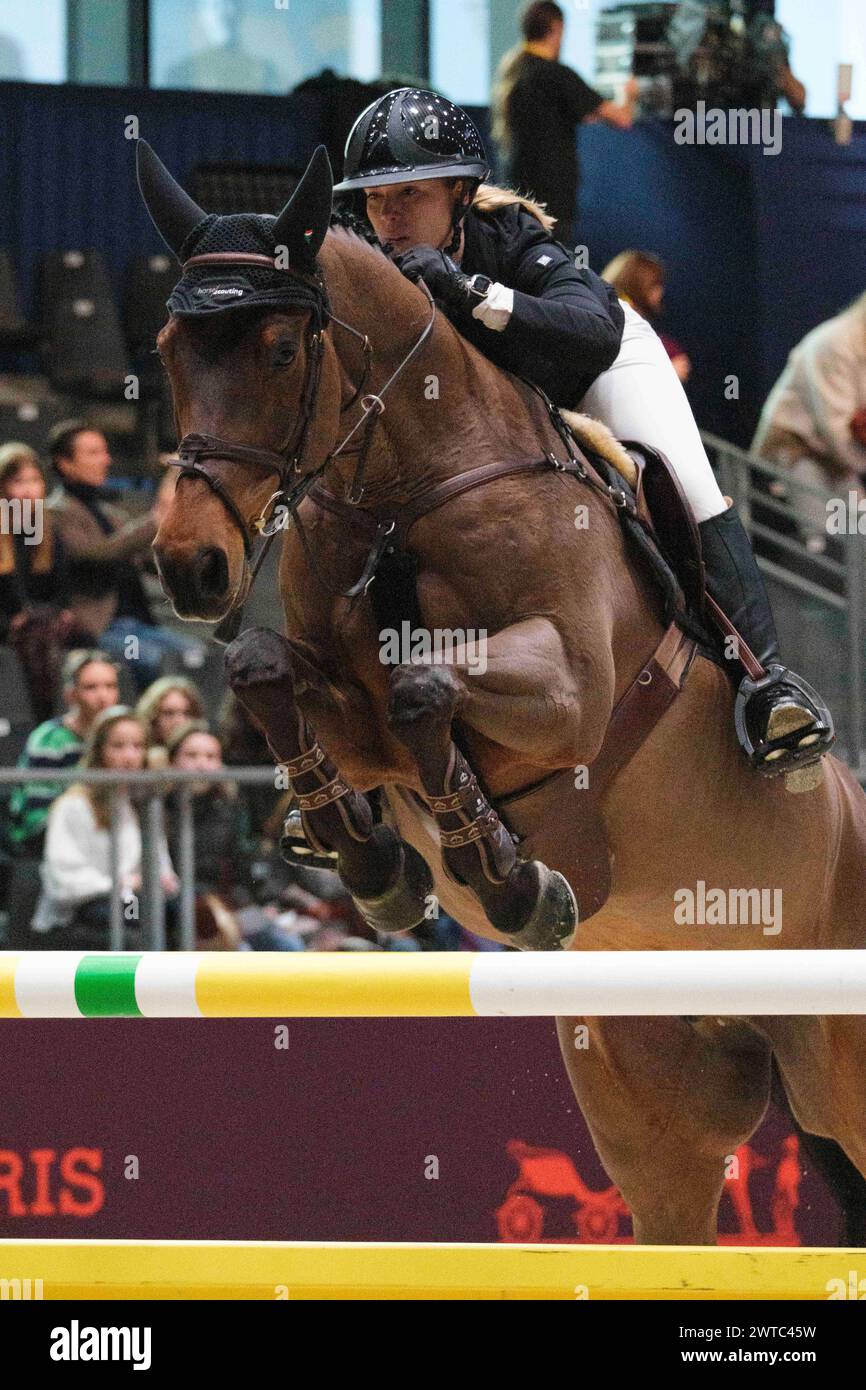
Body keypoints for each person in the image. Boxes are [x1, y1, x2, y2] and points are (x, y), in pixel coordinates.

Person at [333, 86, 834, 778]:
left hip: (593, 368)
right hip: (495, 419)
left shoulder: (507, 238)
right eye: (375, 200)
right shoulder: (369, 263)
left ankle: (765, 683)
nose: (389, 218)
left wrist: (467, 290)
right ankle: (356, 743)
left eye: (409, 195)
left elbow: (591, 327)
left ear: (457, 193)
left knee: (686, 487)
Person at [45, 420, 205, 691]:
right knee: (154, 661)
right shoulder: (54, 512)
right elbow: (98, 553)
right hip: (100, 626)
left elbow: (144, 557)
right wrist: (156, 518)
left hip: (139, 623)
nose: (106, 460)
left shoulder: (112, 515)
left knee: (197, 654)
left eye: (105, 452)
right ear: (65, 463)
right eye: (94, 453)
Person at [492, 0, 637, 247]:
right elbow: (621, 118)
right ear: (556, 27)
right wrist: (630, 95)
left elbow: (585, 113)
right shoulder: (556, 75)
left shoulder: (515, 73)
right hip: (552, 199)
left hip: (518, 192)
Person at [31, 705, 178, 948]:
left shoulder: (144, 805)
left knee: (177, 911)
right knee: (134, 917)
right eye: (118, 746)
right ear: (99, 752)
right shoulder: (73, 805)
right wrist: (123, 883)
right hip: (80, 912)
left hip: (132, 900)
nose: (130, 757)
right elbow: (63, 882)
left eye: (138, 746)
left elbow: (162, 869)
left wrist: (165, 880)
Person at [752, 291, 866, 554]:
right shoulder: (834, 343)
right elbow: (835, 428)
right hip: (793, 447)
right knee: (823, 538)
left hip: (836, 457)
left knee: (860, 527)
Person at [0, 442, 92, 719]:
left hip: (38, 623)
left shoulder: (48, 530)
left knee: (76, 640)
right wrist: (13, 617)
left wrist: (59, 612)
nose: (28, 490)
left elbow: (60, 588)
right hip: (7, 623)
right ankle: (38, 720)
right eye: (19, 482)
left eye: (35, 480)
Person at [6, 649, 119, 859]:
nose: (103, 696)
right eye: (91, 687)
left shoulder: (122, 738)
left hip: (107, 840)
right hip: (48, 845)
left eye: (110, 686)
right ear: (71, 694)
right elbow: (37, 816)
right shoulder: (50, 739)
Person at [601, 250, 692, 383]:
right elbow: (620, 375)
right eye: (656, 284)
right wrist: (667, 373)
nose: (661, 292)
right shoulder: (622, 319)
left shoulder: (610, 311)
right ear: (639, 283)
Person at [136, 674, 206, 767]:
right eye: (169, 713)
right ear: (152, 718)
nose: (180, 721)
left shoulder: (207, 758)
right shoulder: (138, 759)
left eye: (187, 713)